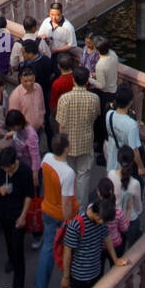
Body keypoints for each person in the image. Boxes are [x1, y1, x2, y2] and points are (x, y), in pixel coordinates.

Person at [32, 133, 77, 288]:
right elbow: (66, 203)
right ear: (66, 149)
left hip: (47, 209)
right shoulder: (67, 173)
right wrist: (68, 222)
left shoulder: (47, 158)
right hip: (60, 215)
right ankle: (70, 286)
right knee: (70, 251)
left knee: (47, 249)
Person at [60, 196, 128, 288]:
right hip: (80, 278)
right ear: (97, 215)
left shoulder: (102, 223)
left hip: (96, 273)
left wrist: (115, 259)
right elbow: (67, 252)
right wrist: (66, 277)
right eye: (102, 221)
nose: (103, 224)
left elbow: (108, 239)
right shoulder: (75, 225)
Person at [56, 66, 100, 206]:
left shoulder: (64, 99)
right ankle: (81, 210)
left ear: (73, 80)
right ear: (87, 81)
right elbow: (95, 116)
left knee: (68, 176)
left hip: (68, 143)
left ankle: (68, 205)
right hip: (85, 142)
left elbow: (61, 125)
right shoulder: (94, 98)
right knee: (83, 176)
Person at [0, 146, 33, 286]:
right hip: (4, 211)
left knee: (18, 246)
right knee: (8, 240)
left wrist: (23, 216)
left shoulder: (25, 171)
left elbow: (29, 195)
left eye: (9, 168)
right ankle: (11, 259)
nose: (6, 171)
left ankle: (18, 284)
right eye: (4, 168)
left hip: (18, 212)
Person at [104, 82, 143, 175]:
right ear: (130, 102)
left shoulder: (109, 114)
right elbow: (135, 150)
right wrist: (141, 167)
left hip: (111, 155)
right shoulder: (131, 124)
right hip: (125, 161)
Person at [108, 145, 143, 248]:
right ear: (132, 162)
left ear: (118, 160)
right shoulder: (135, 183)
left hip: (113, 218)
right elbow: (139, 208)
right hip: (130, 220)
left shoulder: (111, 174)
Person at [94, 176, 129, 260]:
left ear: (98, 192)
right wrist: (128, 212)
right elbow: (124, 229)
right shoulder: (118, 211)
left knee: (100, 271)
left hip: (99, 245)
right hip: (115, 244)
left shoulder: (93, 209)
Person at [7, 65, 45, 136]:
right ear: (20, 79)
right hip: (24, 132)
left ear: (35, 78)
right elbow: (13, 118)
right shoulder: (15, 95)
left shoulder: (38, 87)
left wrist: (42, 121)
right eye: (25, 81)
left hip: (39, 128)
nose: (29, 83)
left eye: (31, 80)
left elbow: (42, 106)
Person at [4, 108, 41, 180]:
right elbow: (15, 133)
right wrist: (12, 133)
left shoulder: (31, 135)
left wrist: (35, 175)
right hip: (21, 162)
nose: (12, 129)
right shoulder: (18, 129)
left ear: (19, 124)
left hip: (30, 167)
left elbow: (35, 156)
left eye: (13, 127)